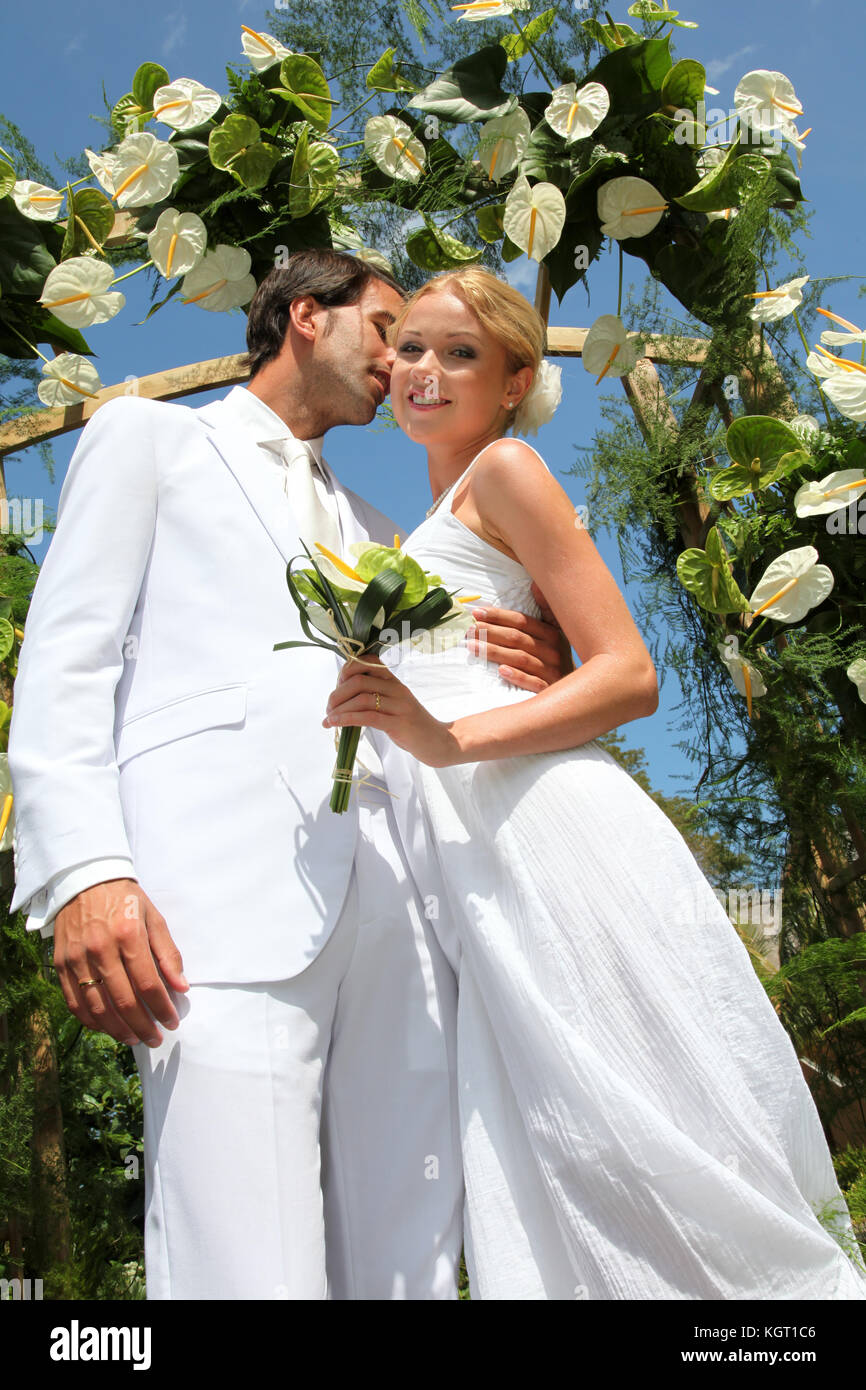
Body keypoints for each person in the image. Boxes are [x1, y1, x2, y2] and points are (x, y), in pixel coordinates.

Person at [6, 250, 569, 1300]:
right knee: (244, 1249)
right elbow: (66, 661)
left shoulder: (381, 530)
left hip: (398, 905)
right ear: (305, 316)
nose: (402, 360)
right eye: (389, 328)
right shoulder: (152, 438)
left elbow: (433, 691)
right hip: (216, 901)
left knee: (410, 1237)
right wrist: (86, 870)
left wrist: (531, 662)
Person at [322, 264, 866, 1300]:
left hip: (546, 830)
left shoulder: (508, 469)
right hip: (474, 860)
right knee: (555, 1145)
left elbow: (630, 672)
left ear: (516, 377)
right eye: (412, 349)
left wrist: (446, 739)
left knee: (639, 1122)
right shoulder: (415, 522)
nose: (422, 371)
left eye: (459, 353)